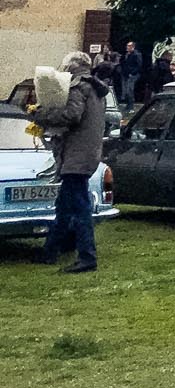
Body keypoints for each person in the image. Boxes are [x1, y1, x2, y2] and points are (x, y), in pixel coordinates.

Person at [34, 52, 109, 274]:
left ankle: (87, 256)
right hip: (87, 153)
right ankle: (51, 250)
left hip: (77, 156)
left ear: (72, 68)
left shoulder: (79, 87)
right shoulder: (97, 89)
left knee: (79, 207)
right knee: (65, 206)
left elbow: (71, 116)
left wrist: (43, 115)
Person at [118, 41, 144, 106]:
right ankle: (126, 103)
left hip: (132, 75)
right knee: (125, 90)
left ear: (133, 47)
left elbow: (139, 65)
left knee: (129, 89)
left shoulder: (136, 54)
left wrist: (132, 73)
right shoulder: (126, 55)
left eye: (129, 46)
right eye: (127, 46)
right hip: (125, 74)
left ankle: (130, 104)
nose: (127, 47)